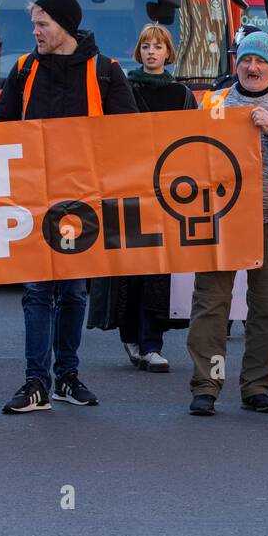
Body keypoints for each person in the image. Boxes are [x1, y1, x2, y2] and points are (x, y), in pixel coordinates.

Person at [0, 0, 138, 414]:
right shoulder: (24, 70)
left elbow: (130, 135)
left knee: (73, 292)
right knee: (38, 290)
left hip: (84, 200)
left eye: (43, 25)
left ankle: (67, 377)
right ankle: (36, 382)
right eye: (34, 24)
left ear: (65, 27)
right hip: (34, 197)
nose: (35, 32)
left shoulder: (105, 71)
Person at [187, 32, 268, 416]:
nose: (252, 67)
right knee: (211, 307)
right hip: (221, 221)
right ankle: (207, 386)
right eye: (246, 59)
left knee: (266, 309)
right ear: (236, 63)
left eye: (261, 61)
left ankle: (256, 387)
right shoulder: (213, 102)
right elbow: (189, 155)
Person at [88, 23, 196, 373]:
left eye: (158, 46)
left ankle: (152, 344)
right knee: (130, 270)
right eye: (146, 46)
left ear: (168, 53)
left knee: (159, 271)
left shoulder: (182, 95)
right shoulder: (123, 87)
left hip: (167, 193)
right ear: (139, 51)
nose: (152, 52)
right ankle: (131, 337)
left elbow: (194, 140)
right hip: (129, 188)